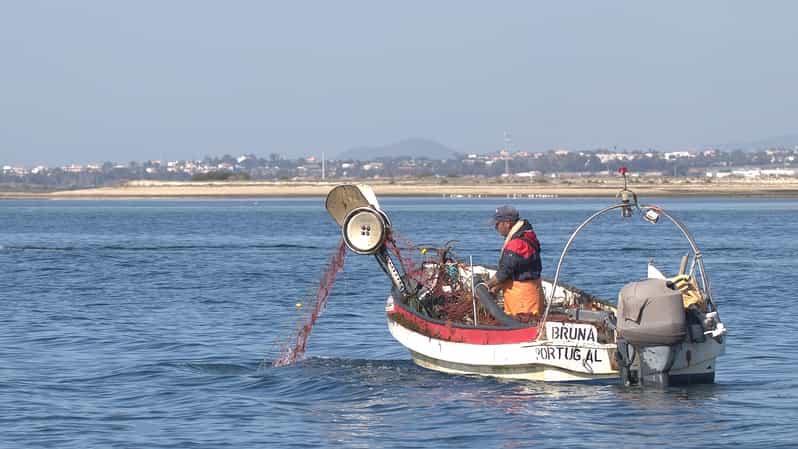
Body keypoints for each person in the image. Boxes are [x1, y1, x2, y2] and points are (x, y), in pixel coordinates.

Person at [485, 205, 544, 318]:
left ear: (507, 223)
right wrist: (495, 289)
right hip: (527, 296)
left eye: (497, 224)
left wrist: (486, 286)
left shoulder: (517, 244)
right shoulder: (527, 235)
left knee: (525, 324)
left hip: (523, 301)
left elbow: (504, 272)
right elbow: (514, 269)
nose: (496, 228)